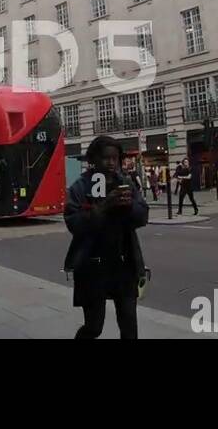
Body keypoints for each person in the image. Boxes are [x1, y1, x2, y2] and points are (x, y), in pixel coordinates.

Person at [64, 136, 148, 340]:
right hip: (93, 267)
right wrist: (104, 207)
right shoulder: (81, 187)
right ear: (94, 160)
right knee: (94, 326)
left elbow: (142, 216)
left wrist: (129, 208)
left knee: (129, 324)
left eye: (115, 158)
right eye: (106, 158)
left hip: (124, 264)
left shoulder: (125, 183)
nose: (111, 163)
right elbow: (74, 223)